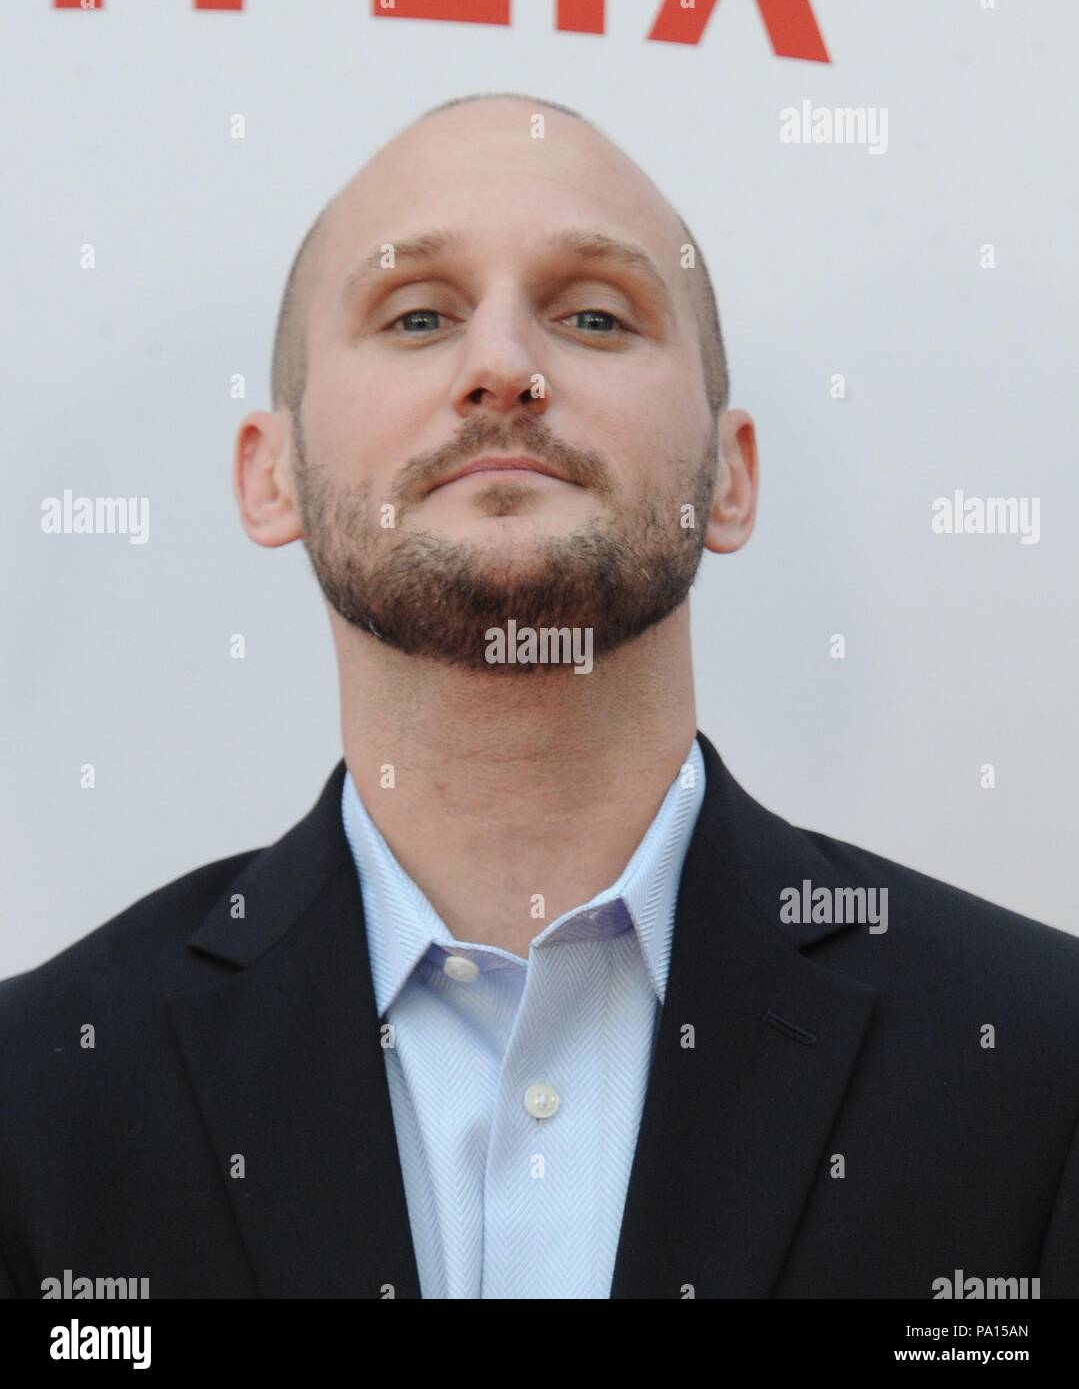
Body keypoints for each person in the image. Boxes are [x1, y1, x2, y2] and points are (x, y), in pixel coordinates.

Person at [2, 92, 1077, 1301]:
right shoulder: (34, 1098)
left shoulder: (1040, 1064)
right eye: (416, 314)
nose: (503, 369)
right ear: (272, 474)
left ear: (727, 478)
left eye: (592, 315)